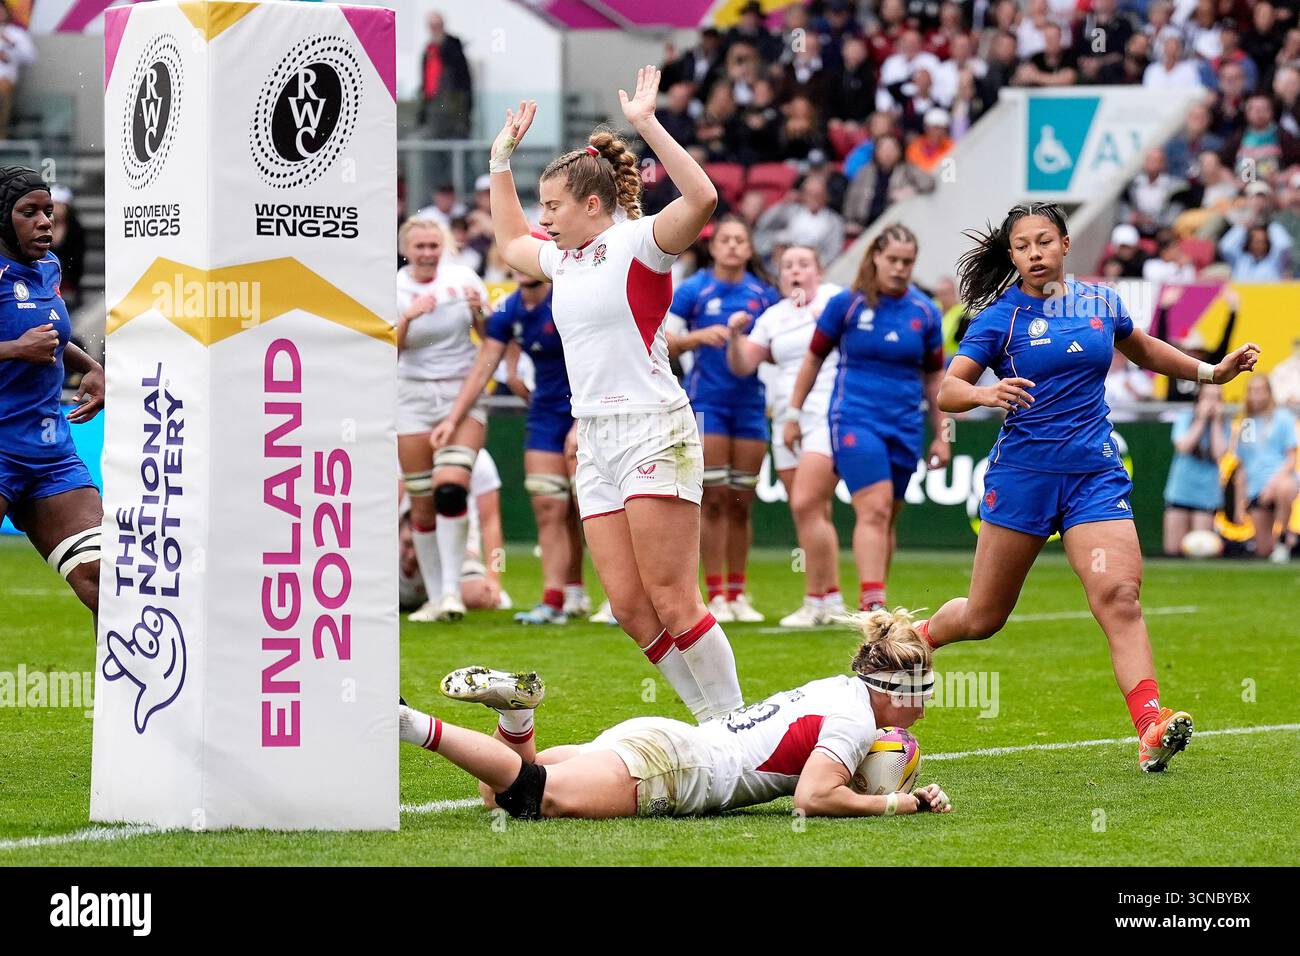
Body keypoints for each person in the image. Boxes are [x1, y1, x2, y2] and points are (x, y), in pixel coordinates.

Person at [923, 200, 1261, 772]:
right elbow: (948, 392)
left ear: (1063, 245)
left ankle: (1151, 724)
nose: (1035, 253)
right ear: (1012, 255)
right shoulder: (998, 317)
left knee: (1119, 597)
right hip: (1024, 477)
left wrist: (1211, 372)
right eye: (1023, 245)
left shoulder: (1101, 302)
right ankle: (914, 637)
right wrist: (984, 393)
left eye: (1044, 241)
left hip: (1094, 476)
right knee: (983, 618)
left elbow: (1144, 348)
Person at [487, 68, 744, 723]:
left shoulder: (638, 244)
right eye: (543, 206)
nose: (544, 218)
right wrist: (499, 164)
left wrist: (649, 125)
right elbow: (512, 241)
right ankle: (711, 723)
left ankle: (736, 728)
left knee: (673, 598)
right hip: (595, 437)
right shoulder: (562, 259)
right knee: (631, 609)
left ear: (592, 205)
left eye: (554, 205)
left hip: (654, 427)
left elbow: (705, 198)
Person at [398, 607, 954, 819]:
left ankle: (517, 720)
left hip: (668, 742)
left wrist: (903, 789)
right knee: (529, 795)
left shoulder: (839, 690)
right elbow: (813, 797)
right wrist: (895, 804)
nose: (924, 712)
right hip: (679, 769)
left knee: (497, 796)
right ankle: (409, 722)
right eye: (922, 696)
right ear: (898, 690)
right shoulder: (856, 721)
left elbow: (823, 769)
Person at [786, 224, 950, 613]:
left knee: (888, 516)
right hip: (855, 418)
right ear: (875, 257)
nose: (899, 268)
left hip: (905, 425)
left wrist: (943, 435)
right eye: (892, 259)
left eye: (907, 262)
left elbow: (934, 378)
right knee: (873, 509)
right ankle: (873, 604)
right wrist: (793, 413)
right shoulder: (846, 305)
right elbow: (813, 359)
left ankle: (874, 600)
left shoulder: (925, 313)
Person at [433, 254, 589, 624]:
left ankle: (615, 600)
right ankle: (555, 600)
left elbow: (597, 361)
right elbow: (483, 366)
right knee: (549, 505)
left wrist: (582, 421)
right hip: (544, 413)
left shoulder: (569, 301)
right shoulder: (510, 309)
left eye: (528, 260)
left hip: (585, 411)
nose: (521, 268)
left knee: (590, 508)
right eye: (515, 262)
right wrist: (452, 420)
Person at [0, 166, 104, 626]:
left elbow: (54, 334)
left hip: (49, 455)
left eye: (47, 211)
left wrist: (91, 366)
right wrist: (14, 350)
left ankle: (138, 696)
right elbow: (28, 340)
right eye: (29, 212)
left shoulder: (48, 268)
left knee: (108, 577)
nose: (44, 221)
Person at [666, 217, 780, 622]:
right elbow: (663, 342)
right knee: (711, 501)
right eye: (726, 240)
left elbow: (776, 346)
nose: (732, 246)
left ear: (749, 249)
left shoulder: (764, 295)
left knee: (740, 502)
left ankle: (738, 594)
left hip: (750, 406)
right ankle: (714, 594)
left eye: (740, 240)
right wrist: (700, 336)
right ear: (713, 248)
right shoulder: (694, 290)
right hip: (705, 405)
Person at [726, 245, 845, 627]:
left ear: (818, 270)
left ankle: (817, 600)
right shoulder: (772, 318)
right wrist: (733, 337)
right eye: (788, 266)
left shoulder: (835, 301)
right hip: (784, 419)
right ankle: (830, 599)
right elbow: (744, 364)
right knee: (811, 511)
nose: (795, 272)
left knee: (806, 505)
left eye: (803, 264)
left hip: (825, 413)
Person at [396, 216, 490, 623]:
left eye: (434, 246)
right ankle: (435, 597)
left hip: (461, 392)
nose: (428, 254)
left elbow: (491, 340)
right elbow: (384, 352)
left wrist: (478, 312)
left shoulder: (464, 278)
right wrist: (408, 318)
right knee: (421, 504)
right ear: (406, 249)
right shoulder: (393, 289)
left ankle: (453, 591)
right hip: (410, 396)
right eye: (420, 247)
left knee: (450, 487)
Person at [398, 450, 513, 613]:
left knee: (477, 595)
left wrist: (495, 577)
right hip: (408, 546)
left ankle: (447, 595)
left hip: (461, 551)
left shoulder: (480, 460)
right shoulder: (406, 447)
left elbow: (491, 523)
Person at [1162, 385, 1231, 556]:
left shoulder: (1224, 423)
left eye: (1216, 398)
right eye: (1207, 397)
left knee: (1201, 549)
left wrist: (1214, 422)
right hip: (1181, 488)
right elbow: (1183, 446)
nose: (1211, 402)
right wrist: (1200, 419)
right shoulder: (1186, 416)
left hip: (1206, 492)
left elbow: (1218, 453)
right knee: (1172, 549)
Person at [1236, 376, 1298, 563]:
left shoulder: (1283, 418)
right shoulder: (1247, 424)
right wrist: (1240, 502)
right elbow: (1243, 465)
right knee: (1263, 550)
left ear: (1269, 393)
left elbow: (1291, 458)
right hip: (1256, 486)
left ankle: (1283, 536)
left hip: (1279, 481)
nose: (1255, 395)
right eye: (1251, 390)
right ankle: (1281, 541)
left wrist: (1272, 485)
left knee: (1285, 488)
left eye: (1259, 390)